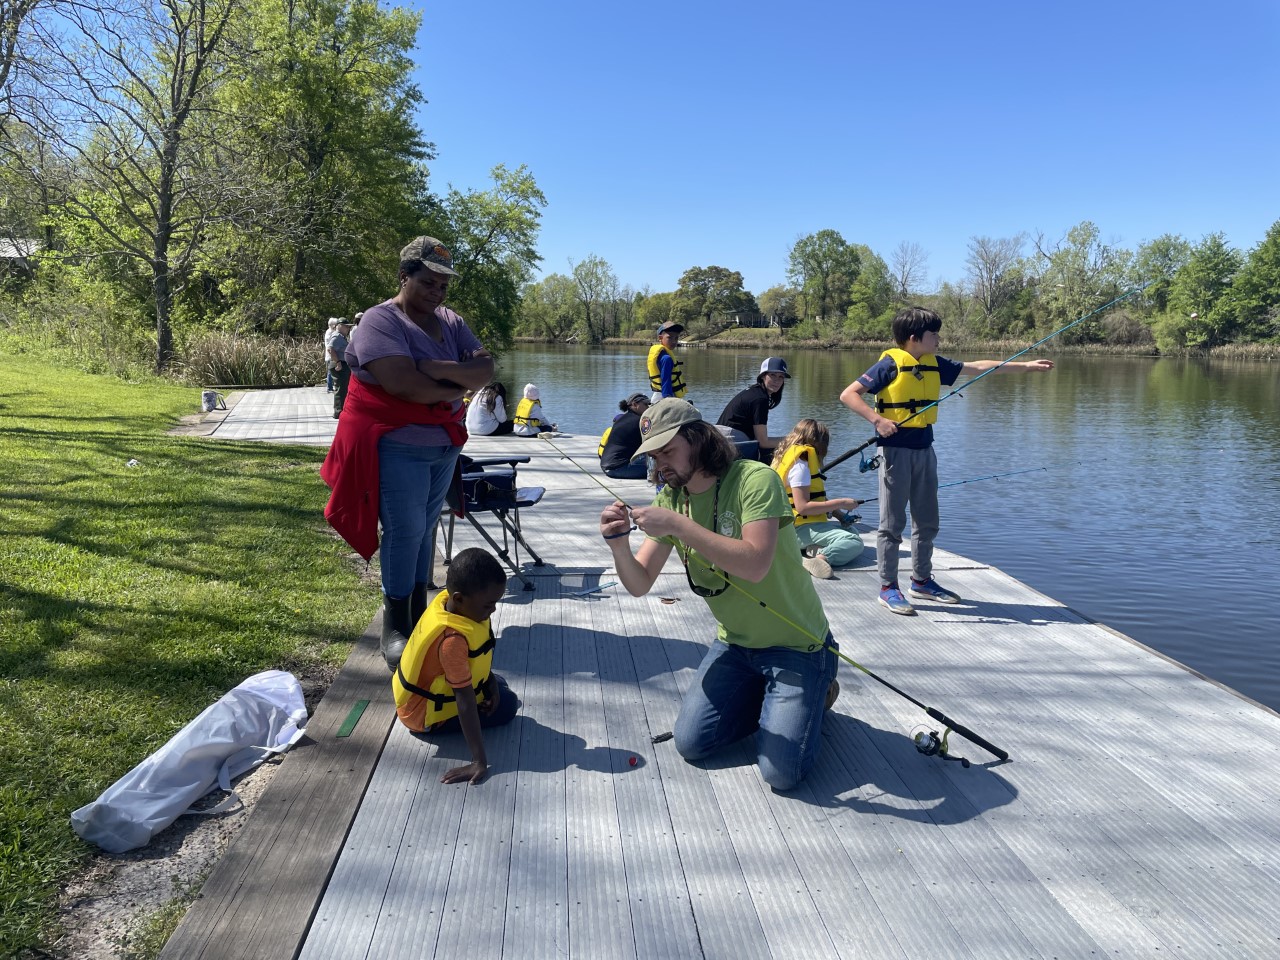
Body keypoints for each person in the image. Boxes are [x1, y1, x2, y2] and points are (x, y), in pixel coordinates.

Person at [599, 398, 839, 791]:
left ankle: (818, 687)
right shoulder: (671, 498)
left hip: (798, 645)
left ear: (698, 438)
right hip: (735, 643)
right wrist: (619, 545)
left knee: (781, 774)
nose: (660, 465)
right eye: (654, 457)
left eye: (667, 452)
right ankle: (777, 699)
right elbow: (639, 584)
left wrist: (677, 525)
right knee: (691, 743)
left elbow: (755, 564)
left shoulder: (755, 479)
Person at [321, 236, 495, 669]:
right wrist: (456, 383)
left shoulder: (450, 321)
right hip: (398, 444)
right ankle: (396, 624)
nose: (437, 291)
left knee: (426, 528)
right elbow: (403, 385)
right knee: (405, 530)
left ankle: (419, 610)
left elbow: (485, 369)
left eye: (443, 285)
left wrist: (435, 368)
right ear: (404, 276)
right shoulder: (380, 321)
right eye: (428, 282)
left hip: (444, 445)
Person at [840, 305, 1054, 616]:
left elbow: (979, 367)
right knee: (892, 524)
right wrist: (878, 420)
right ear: (914, 338)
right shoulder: (888, 365)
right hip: (894, 453)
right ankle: (888, 588)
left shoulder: (935, 364)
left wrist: (1026, 366)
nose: (939, 339)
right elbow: (849, 394)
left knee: (927, 520)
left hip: (925, 451)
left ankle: (921, 581)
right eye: (934, 334)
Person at [392, 547, 518, 785]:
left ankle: (494, 688)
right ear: (459, 598)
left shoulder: (449, 604)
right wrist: (479, 761)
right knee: (508, 704)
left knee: (498, 685)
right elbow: (465, 702)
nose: (493, 610)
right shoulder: (453, 641)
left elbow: (476, 663)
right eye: (488, 605)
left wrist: (490, 683)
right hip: (423, 717)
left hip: (425, 696)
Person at [771, 419, 866, 578]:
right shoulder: (801, 466)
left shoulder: (790, 456)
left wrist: (839, 515)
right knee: (853, 541)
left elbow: (811, 497)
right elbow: (802, 507)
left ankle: (812, 549)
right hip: (795, 529)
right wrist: (842, 502)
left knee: (850, 530)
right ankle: (820, 559)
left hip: (791, 526)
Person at [717, 356, 790, 462]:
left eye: (781, 377)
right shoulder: (760, 399)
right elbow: (763, 442)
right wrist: (793, 439)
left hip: (721, 437)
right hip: (729, 441)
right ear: (763, 376)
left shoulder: (755, 392)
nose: (777, 380)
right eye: (773, 375)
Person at [598, 392, 650, 479]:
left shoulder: (621, 419)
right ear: (635, 404)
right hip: (619, 468)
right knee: (663, 466)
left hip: (608, 467)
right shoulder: (639, 421)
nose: (648, 407)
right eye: (646, 404)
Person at [647, 320, 688, 401]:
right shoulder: (666, 358)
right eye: (669, 337)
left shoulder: (662, 354)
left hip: (657, 395)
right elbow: (666, 381)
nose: (674, 341)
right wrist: (669, 399)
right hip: (664, 397)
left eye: (676, 338)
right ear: (660, 338)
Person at [329, 320, 353, 419]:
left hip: (342, 364)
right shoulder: (337, 336)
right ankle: (338, 412)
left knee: (343, 388)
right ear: (339, 326)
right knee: (341, 389)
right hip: (340, 365)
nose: (348, 329)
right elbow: (330, 348)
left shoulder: (341, 337)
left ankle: (341, 410)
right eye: (346, 326)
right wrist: (338, 362)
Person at [323, 317, 340, 392]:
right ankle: (329, 387)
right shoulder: (330, 332)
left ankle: (331, 386)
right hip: (330, 355)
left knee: (331, 371)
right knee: (331, 371)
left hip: (331, 355)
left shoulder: (329, 332)